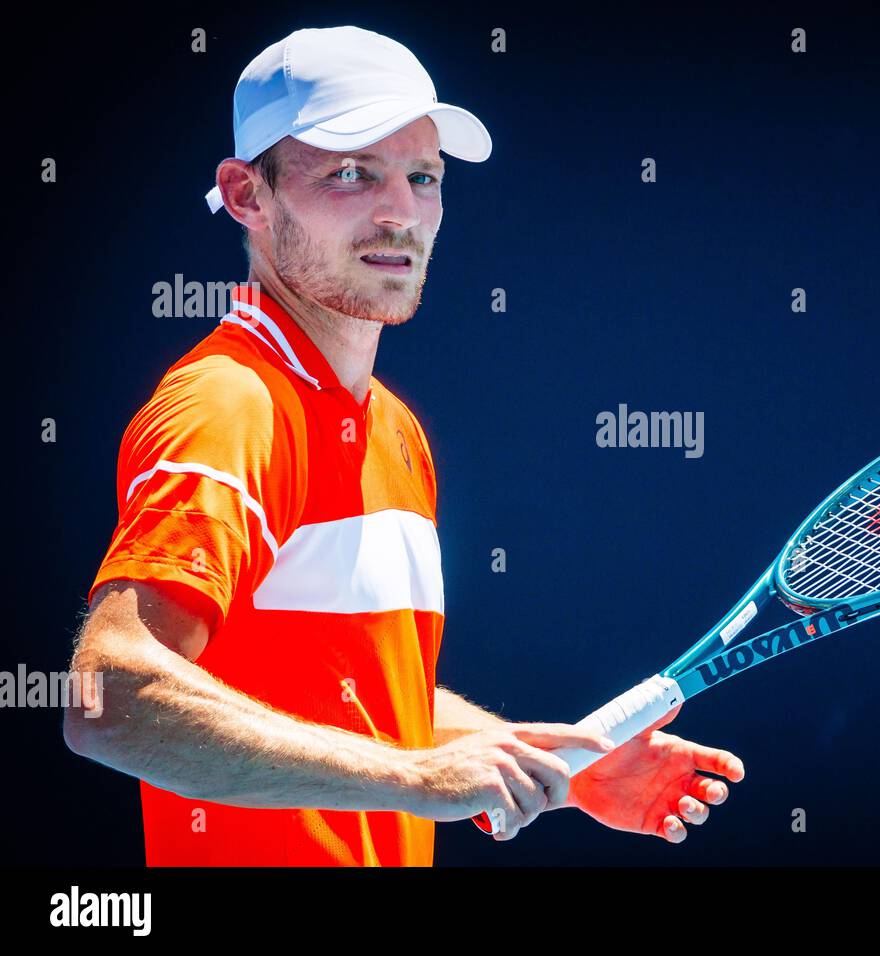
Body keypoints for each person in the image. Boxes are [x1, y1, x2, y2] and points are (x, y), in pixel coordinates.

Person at [63, 25, 743, 866]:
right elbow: (111, 697)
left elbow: (363, 707)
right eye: (351, 173)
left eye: (423, 177)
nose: (399, 211)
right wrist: (419, 780)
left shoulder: (393, 429)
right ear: (246, 195)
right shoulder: (229, 404)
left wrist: (558, 773)